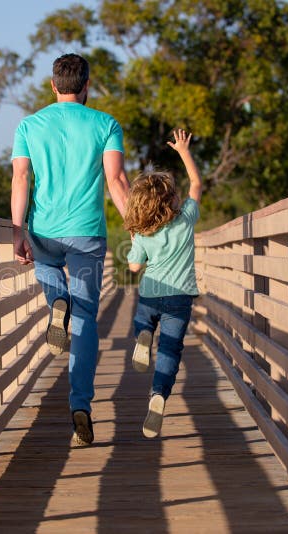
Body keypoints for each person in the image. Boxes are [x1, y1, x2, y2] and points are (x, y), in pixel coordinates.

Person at [11, 53, 130, 446]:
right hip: (87, 235)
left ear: (53, 85)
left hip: (43, 232)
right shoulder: (105, 124)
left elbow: (21, 177)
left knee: (48, 275)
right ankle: (81, 404)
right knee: (86, 321)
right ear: (87, 87)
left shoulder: (29, 125)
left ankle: (55, 301)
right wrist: (138, 229)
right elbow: (116, 182)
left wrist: (17, 231)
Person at [125, 128, 202, 438]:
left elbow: (132, 267)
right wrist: (183, 151)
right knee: (170, 351)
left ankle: (143, 336)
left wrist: (134, 240)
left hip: (150, 294)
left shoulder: (144, 234)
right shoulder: (185, 220)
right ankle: (158, 394)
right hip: (180, 299)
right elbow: (196, 183)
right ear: (172, 199)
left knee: (143, 323)